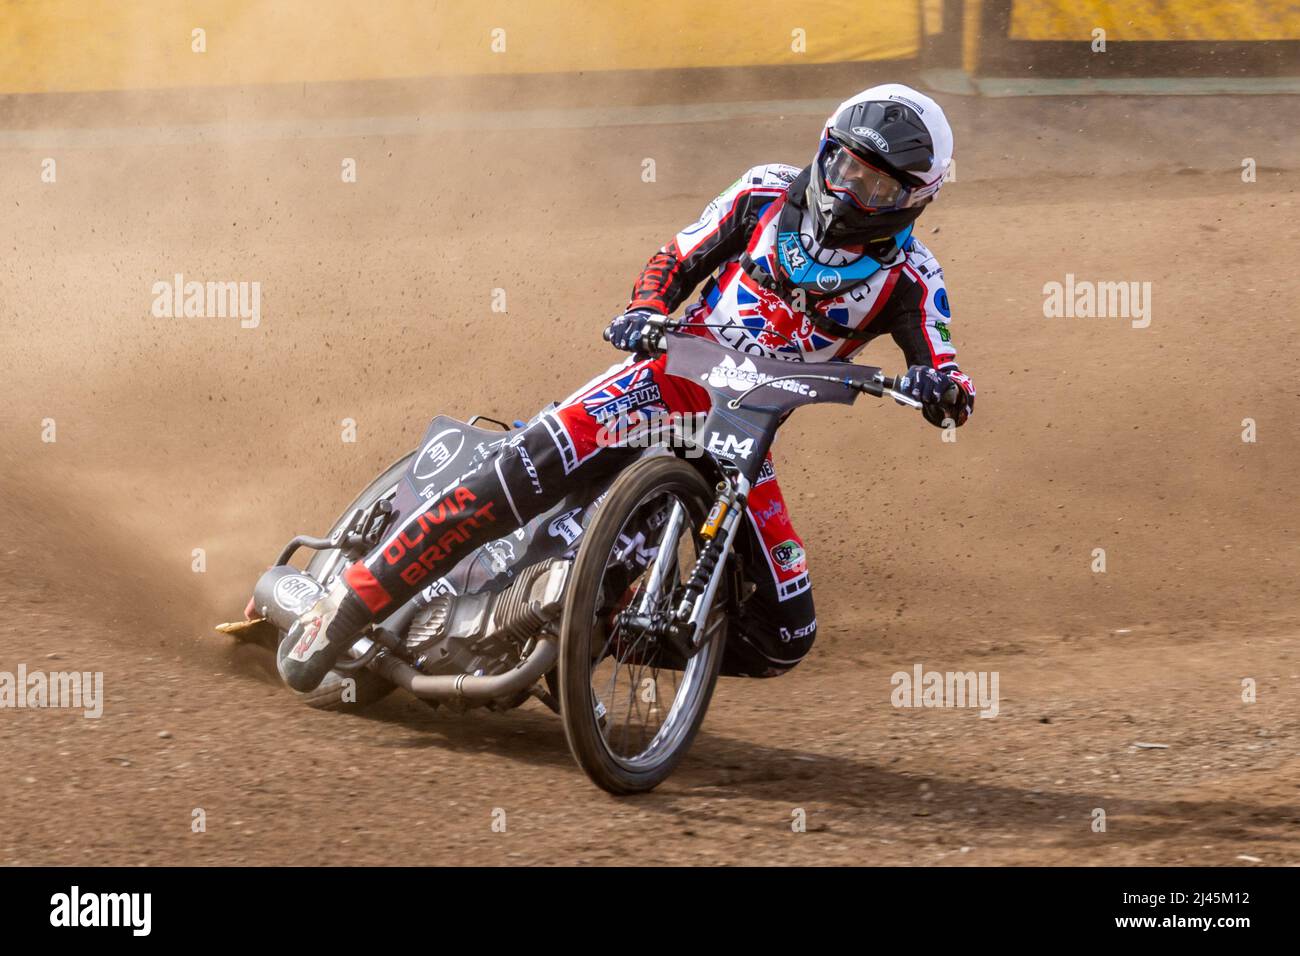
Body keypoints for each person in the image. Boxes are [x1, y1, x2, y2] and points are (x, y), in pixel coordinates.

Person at [278, 83, 976, 692]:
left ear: (913, 200)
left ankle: (589, 630)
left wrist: (942, 390)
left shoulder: (913, 278)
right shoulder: (764, 189)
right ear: (825, 149)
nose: (852, 190)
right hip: (663, 378)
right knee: (519, 474)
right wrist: (646, 309)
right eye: (845, 166)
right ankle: (346, 606)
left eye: (878, 187)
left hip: (742, 435)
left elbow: (944, 363)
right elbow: (676, 258)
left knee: (786, 634)